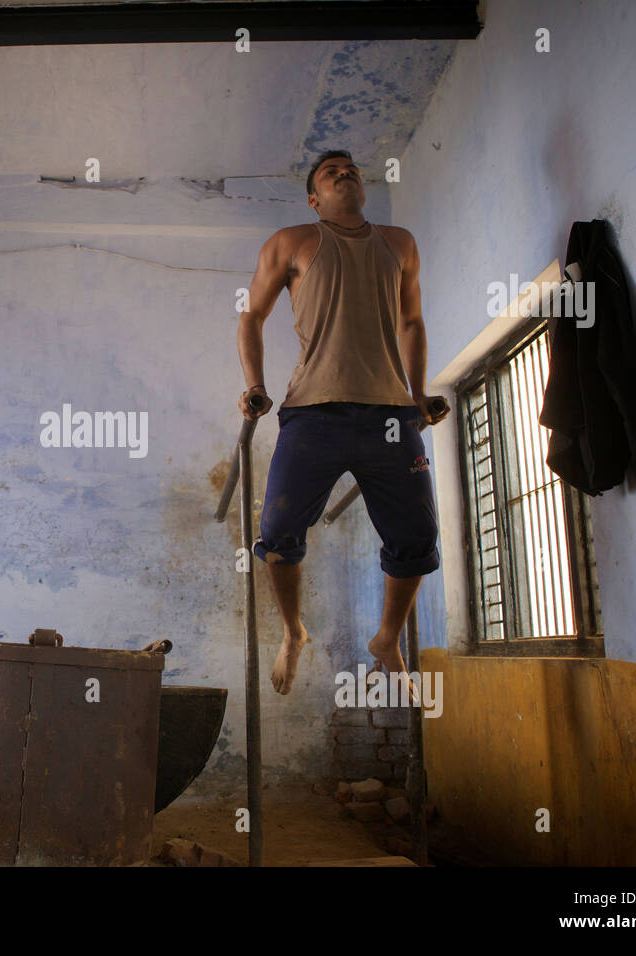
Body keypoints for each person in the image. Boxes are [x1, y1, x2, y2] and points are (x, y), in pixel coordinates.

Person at [236, 149, 449, 697]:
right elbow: (251, 317)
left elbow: (412, 320)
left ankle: (385, 639)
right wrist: (255, 384)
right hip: (313, 411)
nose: (344, 172)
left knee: (419, 536)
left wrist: (418, 393)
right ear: (314, 197)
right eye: (330, 171)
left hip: (389, 412)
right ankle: (293, 632)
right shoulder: (291, 241)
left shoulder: (399, 243)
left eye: (351, 167)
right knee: (278, 530)